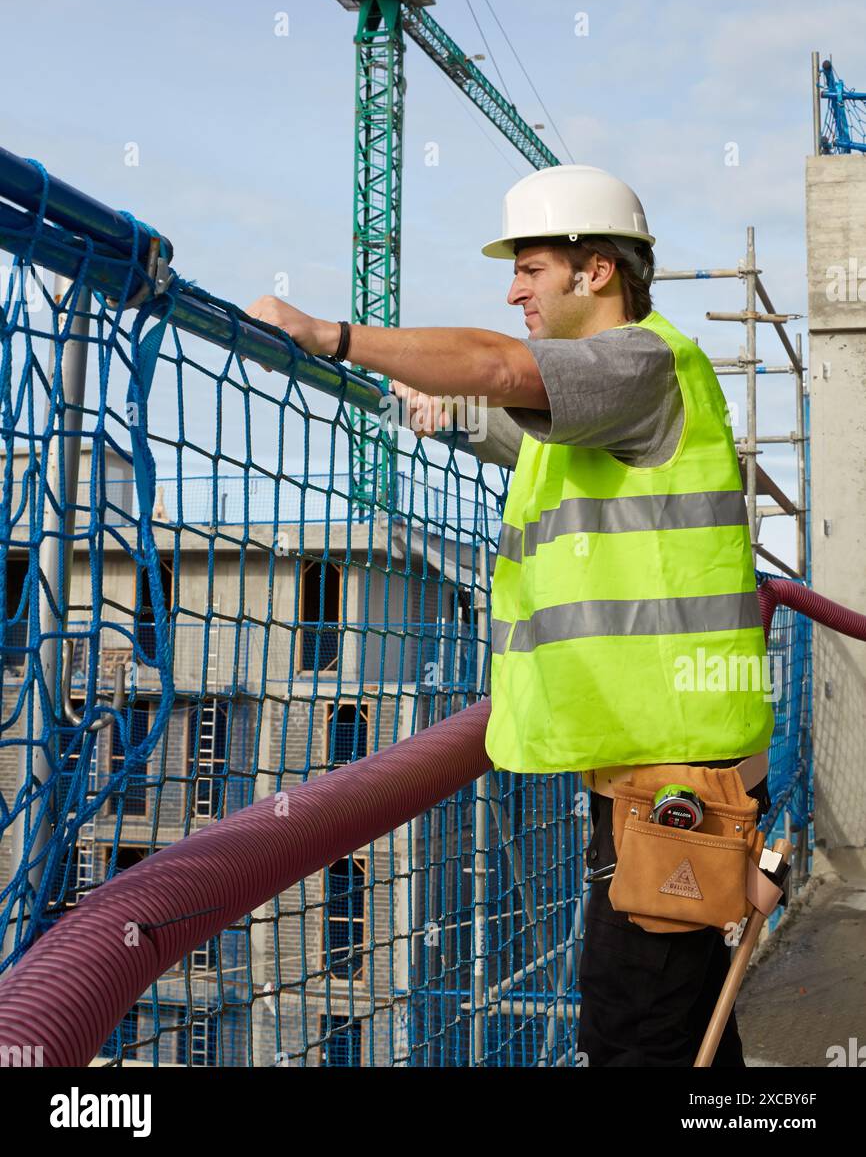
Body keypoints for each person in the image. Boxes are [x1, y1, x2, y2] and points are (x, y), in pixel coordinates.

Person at [244, 163, 775, 1067]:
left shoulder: (644, 361)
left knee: (632, 1028)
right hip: (654, 760)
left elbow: (497, 366)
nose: (513, 287)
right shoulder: (608, 400)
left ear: (595, 269)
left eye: (530, 267)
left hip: (675, 773)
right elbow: (511, 412)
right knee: (680, 1018)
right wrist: (439, 409)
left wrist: (331, 335)